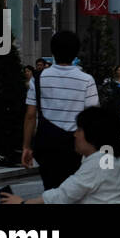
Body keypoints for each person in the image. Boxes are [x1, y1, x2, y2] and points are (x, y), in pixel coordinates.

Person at [2, 107, 120, 204]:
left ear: (93, 134)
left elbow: (63, 195)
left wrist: (23, 202)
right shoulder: (114, 162)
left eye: (79, 129)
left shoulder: (97, 164)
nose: (75, 134)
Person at [22, 30, 99, 189]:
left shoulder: (38, 79)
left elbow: (30, 116)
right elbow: (92, 118)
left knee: (51, 189)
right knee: (73, 191)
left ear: (53, 51)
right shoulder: (86, 80)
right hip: (74, 146)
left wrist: (26, 146)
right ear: (76, 52)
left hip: (46, 143)